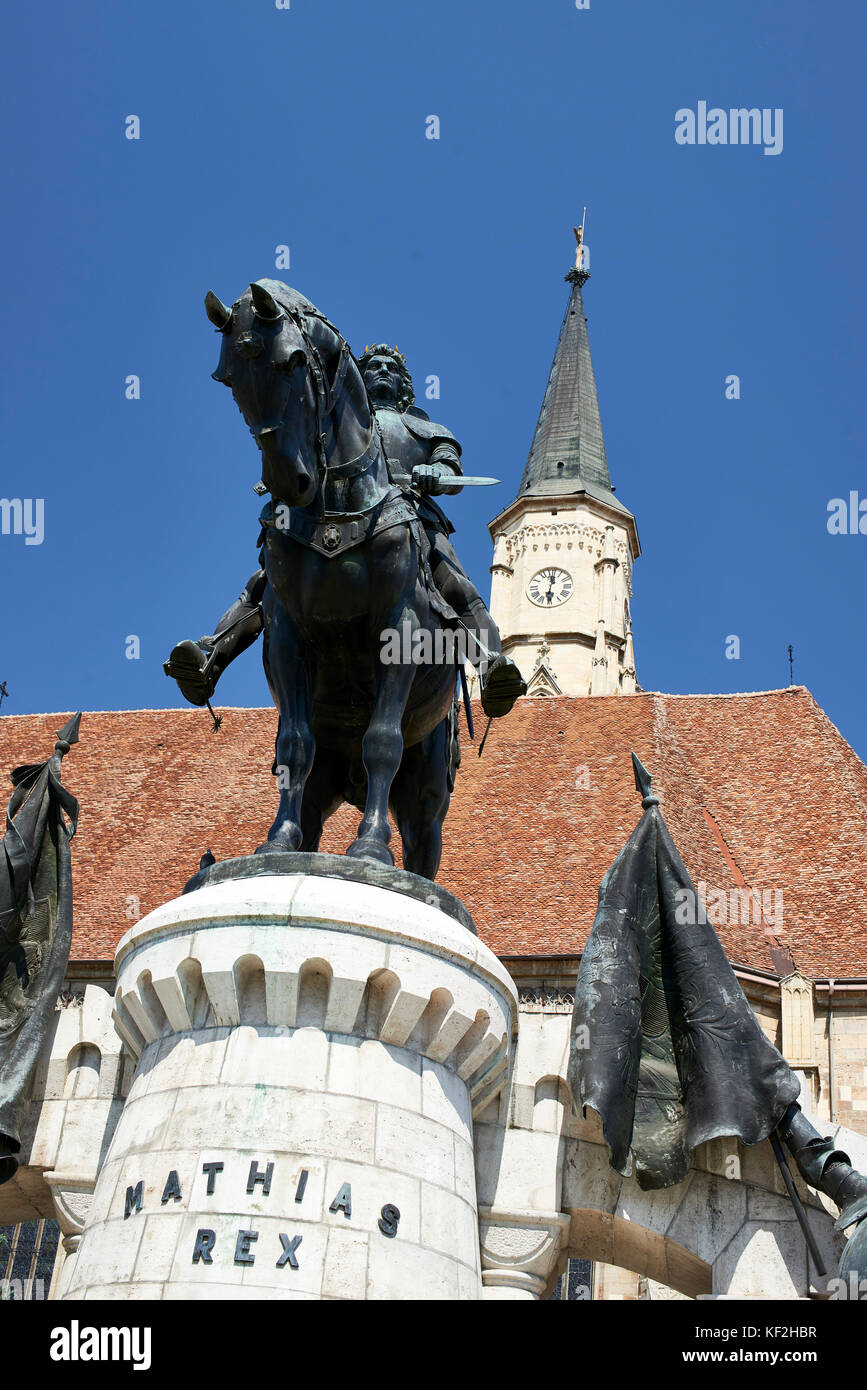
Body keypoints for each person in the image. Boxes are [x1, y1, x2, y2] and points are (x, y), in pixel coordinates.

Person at [164, 344, 525, 718]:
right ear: (360, 380)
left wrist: (437, 475)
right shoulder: (335, 426)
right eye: (374, 366)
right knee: (267, 577)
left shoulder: (427, 430)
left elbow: (452, 472)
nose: (383, 370)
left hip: (414, 521)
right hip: (338, 518)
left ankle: (491, 665)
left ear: (405, 385)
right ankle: (210, 660)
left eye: (391, 368)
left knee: (456, 584)